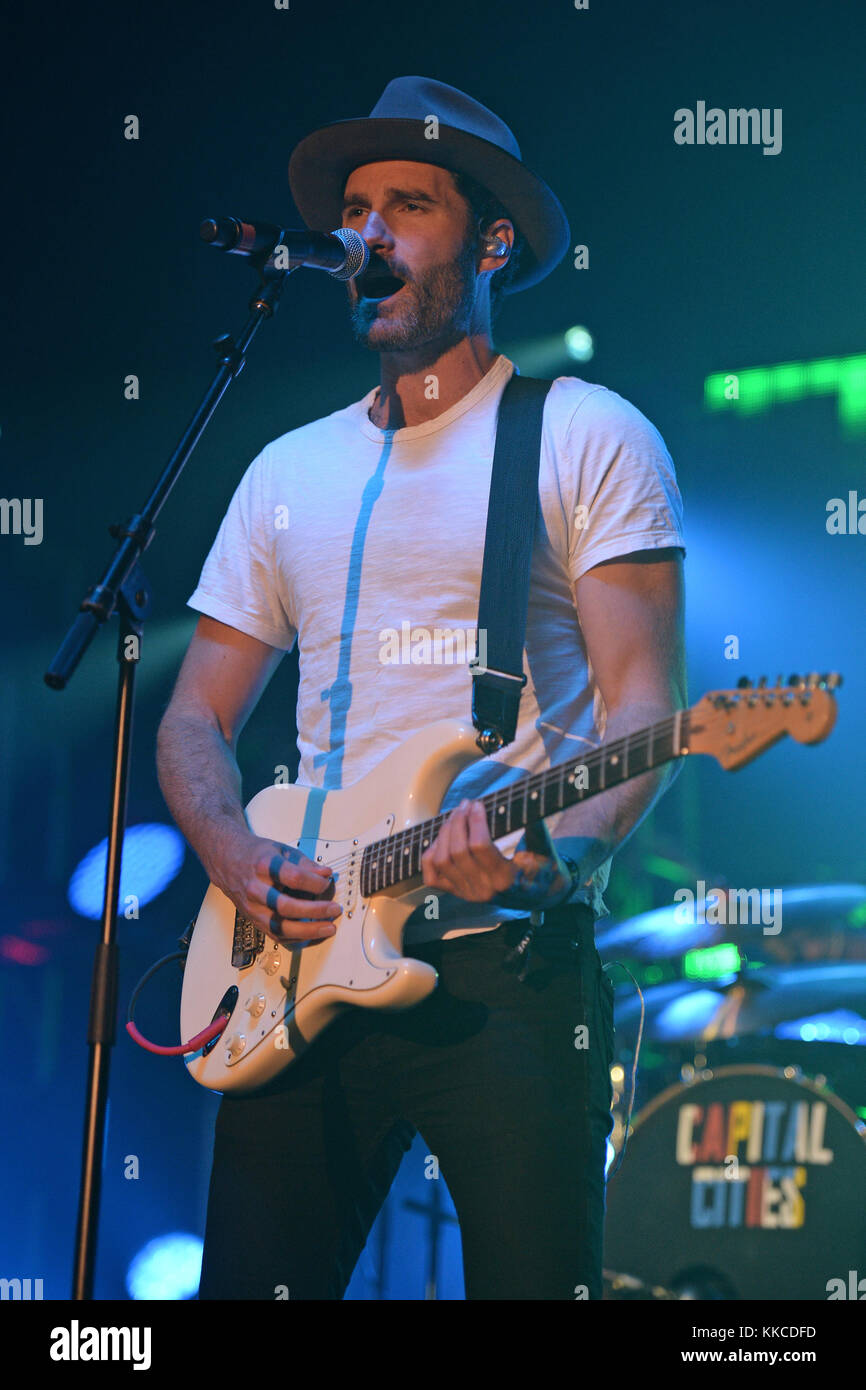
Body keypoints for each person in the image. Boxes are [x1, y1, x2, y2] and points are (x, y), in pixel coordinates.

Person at [157, 76, 687, 1300]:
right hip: (293, 960)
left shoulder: (582, 432)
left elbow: (646, 710)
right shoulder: (286, 468)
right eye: (353, 208)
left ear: (492, 239)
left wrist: (560, 850)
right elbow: (195, 715)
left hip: (508, 970)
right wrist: (236, 853)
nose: (367, 233)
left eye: (407, 204)